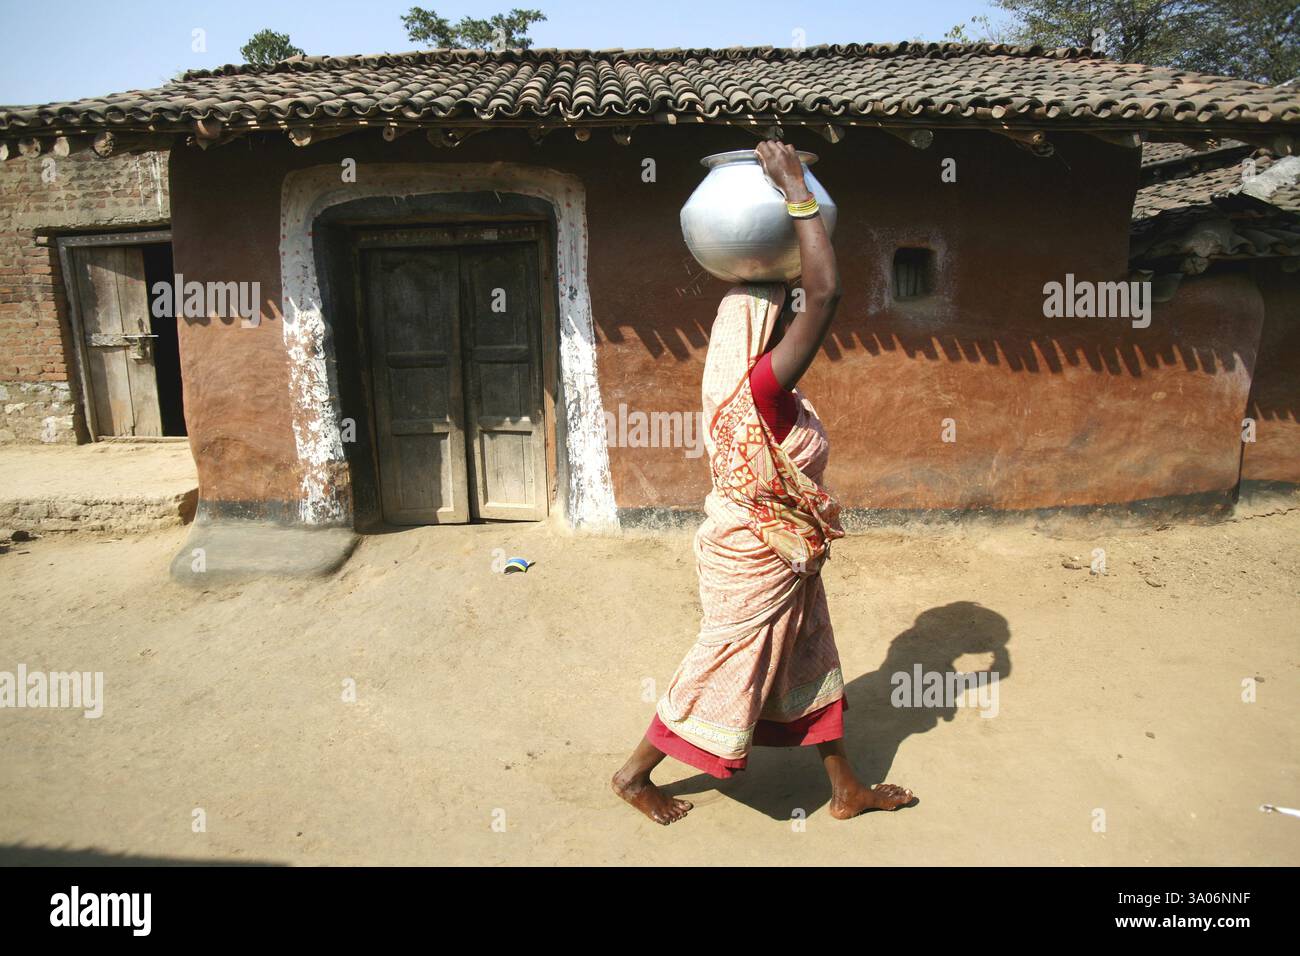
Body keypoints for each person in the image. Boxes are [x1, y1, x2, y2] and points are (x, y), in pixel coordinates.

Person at [612, 140, 915, 825]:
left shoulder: (744, 383)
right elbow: (828, 292)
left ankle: (845, 789)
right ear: (758, 330)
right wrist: (795, 188)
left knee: (813, 656)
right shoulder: (762, 388)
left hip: (782, 552)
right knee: (724, 666)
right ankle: (633, 774)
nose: (793, 317)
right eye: (784, 311)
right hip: (757, 555)